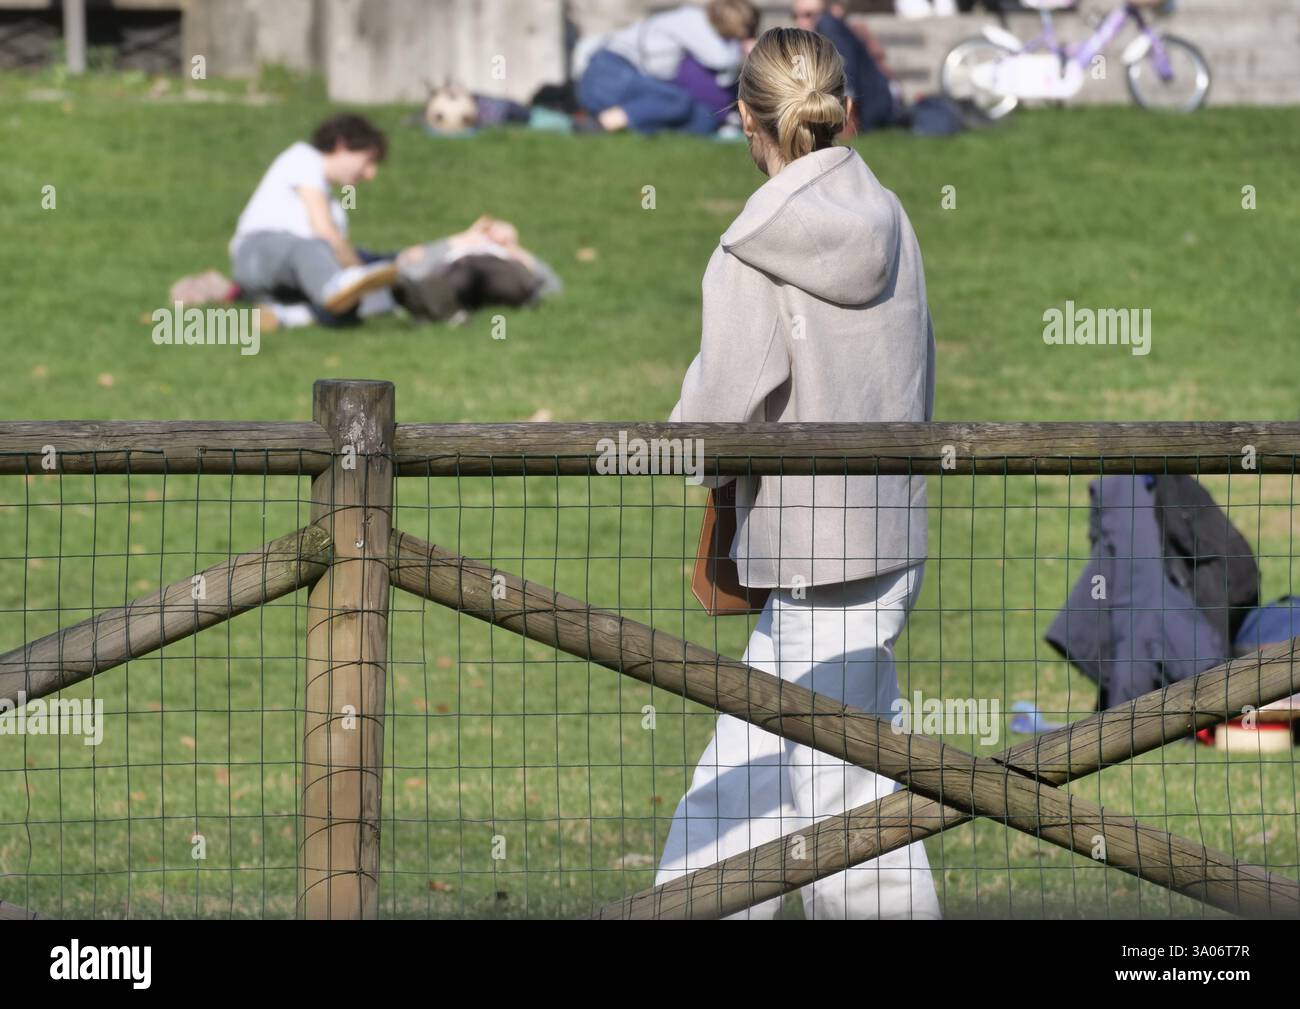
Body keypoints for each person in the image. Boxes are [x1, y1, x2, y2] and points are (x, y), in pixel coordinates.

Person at [656, 26, 941, 919]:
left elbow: (710, 425)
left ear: (744, 116)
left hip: (811, 558)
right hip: (889, 537)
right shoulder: (890, 216)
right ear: (845, 110)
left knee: (841, 813)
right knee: (743, 783)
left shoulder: (751, 246)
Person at [228, 114, 401, 328]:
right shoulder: (303, 158)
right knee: (313, 249)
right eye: (368, 161)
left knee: (375, 293)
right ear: (341, 145)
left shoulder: (336, 209)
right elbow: (324, 233)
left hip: (293, 279)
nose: (370, 173)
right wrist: (360, 275)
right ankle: (339, 290)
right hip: (258, 254)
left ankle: (285, 316)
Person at [574, 0, 759, 135]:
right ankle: (601, 123)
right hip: (608, 73)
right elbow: (721, 59)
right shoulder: (693, 20)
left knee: (701, 118)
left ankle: (627, 123)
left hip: (616, 77)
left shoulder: (698, 22)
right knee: (678, 101)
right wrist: (747, 49)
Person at [393, 215, 562, 324]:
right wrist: (463, 238)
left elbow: (553, 284)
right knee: (446, 278)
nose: (497, 233)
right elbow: (408, 263)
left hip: (502, 273)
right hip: (457, 273)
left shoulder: (510, 255)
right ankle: (445, 309)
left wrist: (516, 250)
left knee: (467, 273)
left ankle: (434, 307)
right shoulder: (457, 248)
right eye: (492, 228)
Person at [792, 0, 899, 131]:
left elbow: (846, 73)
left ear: (830, 12)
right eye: (795, 16)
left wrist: (846, 122)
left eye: (808, 15)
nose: (800, 22)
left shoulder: (828, 25)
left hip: (868, 110)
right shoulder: (826, 30)